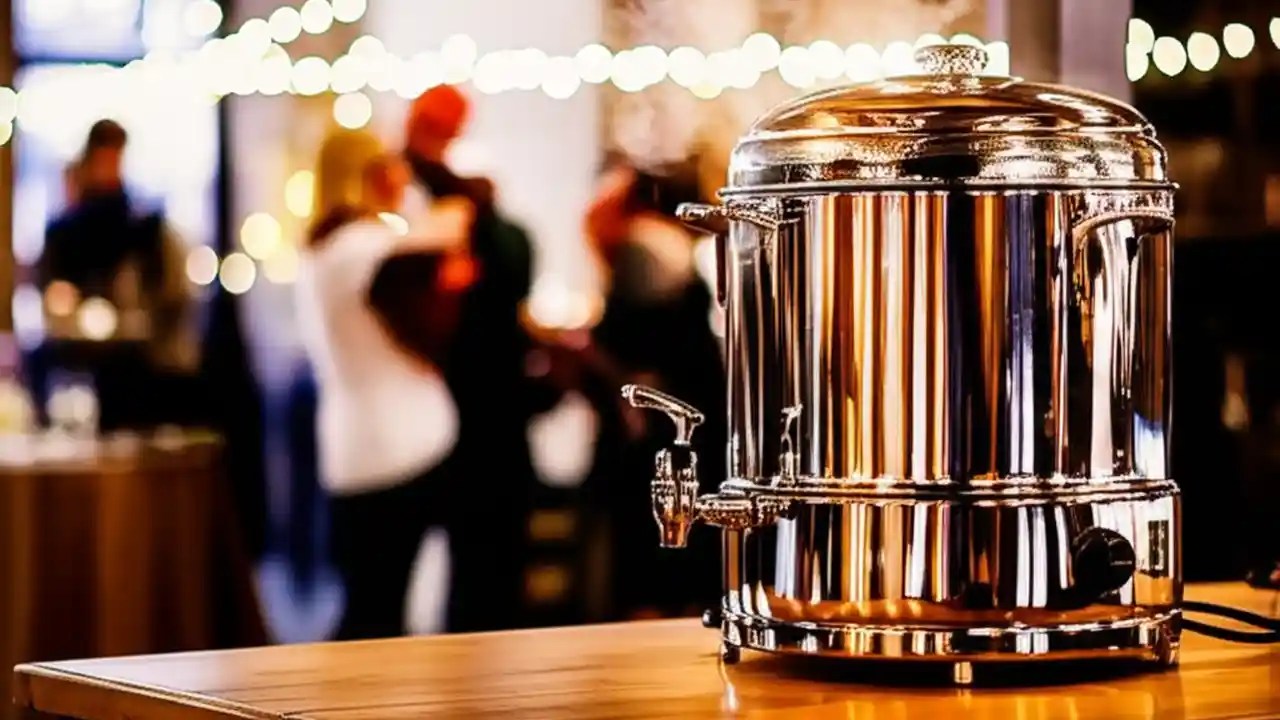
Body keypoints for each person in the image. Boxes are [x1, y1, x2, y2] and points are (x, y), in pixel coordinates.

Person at [295, 127, 474, 640]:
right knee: (375, 616)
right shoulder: (356, 244)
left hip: (356, 444)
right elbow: (446, 227)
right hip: (396, 448)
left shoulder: (321, 251)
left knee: (372, 603)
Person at [403, 86, 559, 632]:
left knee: (473, 566)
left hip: (468, 416)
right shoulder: (508, 243)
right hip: (495, 420)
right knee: (492, 566)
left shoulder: (462, 237)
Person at [581, 160, 727, 620]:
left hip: (659, 419)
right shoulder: (670, 243)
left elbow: (629, 337)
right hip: (688, 408)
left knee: (649, 532)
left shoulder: (641, 248)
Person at [35, 119, 197, 430]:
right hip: (78, 357)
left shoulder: (144, 227)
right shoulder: (66, 230)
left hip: (139, 360)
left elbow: (170, 293)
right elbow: (53, 291)